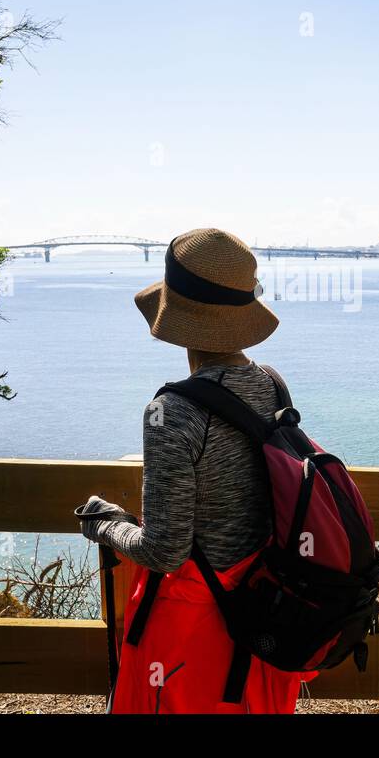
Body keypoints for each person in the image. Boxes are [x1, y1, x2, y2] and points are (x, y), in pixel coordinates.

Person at [78, 227, 309, 714]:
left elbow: (164, 550)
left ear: (178, 317)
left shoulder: (173, 411)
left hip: (195, 630)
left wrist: (106, 525)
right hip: (262, 614)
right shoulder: (272, 385)